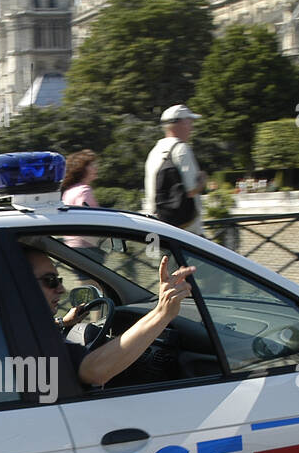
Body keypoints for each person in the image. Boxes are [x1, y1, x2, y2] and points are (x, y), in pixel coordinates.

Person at [26, 247, 194, 388]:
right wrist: (162, 314)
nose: (62, 289)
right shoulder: (32, 338)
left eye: (59, 279)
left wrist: (63, 322)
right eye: (50, 280)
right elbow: (94, 371)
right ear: (21, 283)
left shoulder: (18, 325)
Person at [144, 104, 205, 235]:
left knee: (158, 255)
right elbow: (191, 189)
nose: (192, 127)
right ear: (181, 123)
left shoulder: (154, 151)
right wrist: (202, 180)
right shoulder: (181, 149)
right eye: (190, 122)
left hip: (157, 227)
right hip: (185, 232)